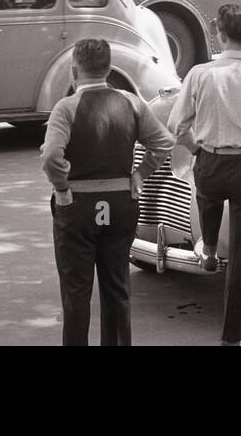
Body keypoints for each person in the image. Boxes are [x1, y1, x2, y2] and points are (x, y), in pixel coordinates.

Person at [40, 37, 174, 346]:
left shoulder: (66, 108)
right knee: (117, 289)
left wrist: (62, 188)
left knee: (76, 293)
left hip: (78, 206)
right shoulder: (131, 102)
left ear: (74, 70)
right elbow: (163, 142)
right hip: (121, 203)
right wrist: (139, 175)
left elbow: (50, 156)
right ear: (109, 69)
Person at [169, 4, 241, 346]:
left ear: (221, 35)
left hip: (211, 163)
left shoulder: (200, 74)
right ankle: (232, 336)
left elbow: (176, 126)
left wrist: (198, 148)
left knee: (207, 193)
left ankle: (210, 247)